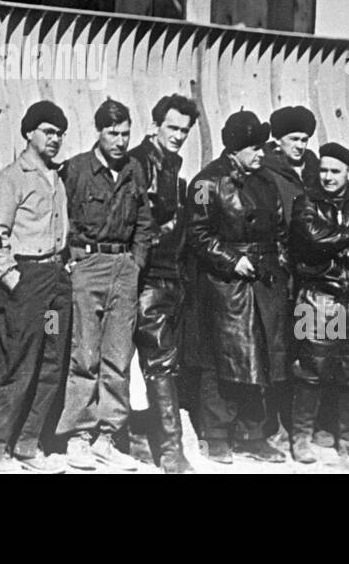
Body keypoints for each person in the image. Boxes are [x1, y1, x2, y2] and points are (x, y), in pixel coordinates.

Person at [185, 110, 290, 465]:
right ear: (235, 149)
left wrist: (280, 265)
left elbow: (279, 229)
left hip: (264, 280)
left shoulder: (265, 181)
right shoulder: (204, 183)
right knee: (223, 359)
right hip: (225, 284)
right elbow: (198, 234)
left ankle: (255, 435)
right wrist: (231, 260)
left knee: (262, 359)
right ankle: (217, 436)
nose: (261, 154)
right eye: (254, 148)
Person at [0, 101, 72, 474]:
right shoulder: (13, 177)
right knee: (16, 362)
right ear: (29, 133)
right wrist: (10, 277)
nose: (55, 139)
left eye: (59, 133)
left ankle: (28, 444)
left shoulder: (56, 177)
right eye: (48, 131)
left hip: (54, 286)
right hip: (25, 283)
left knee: (50, 360)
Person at [57, 98, 154, 471]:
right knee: (85, 355)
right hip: (87, 267)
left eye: (125, 133)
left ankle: (108, 436)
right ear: (99, 132)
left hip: (123, 269)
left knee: (118, 357)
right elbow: (61, 216)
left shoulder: (134, 169)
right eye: (112, 133)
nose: (119, 141)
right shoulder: (78, 169)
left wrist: (135, 263)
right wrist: (72, 261)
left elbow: (144, 223)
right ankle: (78, 437)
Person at [289, 143, 349, 463]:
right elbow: (312, 239)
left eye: (335, 171)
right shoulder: (306, 202)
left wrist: (337, 250)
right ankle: (302, 436)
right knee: (311, 369)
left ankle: (348, 436)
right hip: (317, 296)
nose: (328, 177)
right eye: (324, 171)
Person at [129, 94, 200, 474]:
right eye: (172, 128)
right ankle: (170, 449)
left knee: (154, 361)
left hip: (169, 276)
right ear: (155, 125)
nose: (178, 136)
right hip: (149, 276)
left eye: (184, 131)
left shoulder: (172, 166)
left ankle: (141, 437)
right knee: (159, 360)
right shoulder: (141, 164)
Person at [259, 104, 321, 446]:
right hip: (279, 272)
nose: (300, 145)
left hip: (311, 273)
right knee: (277, 347)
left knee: (308, 346)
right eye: (294, 139)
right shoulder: (267, 171)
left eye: (305, 139)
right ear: (277, 139)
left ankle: (304, 426)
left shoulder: (314, 171)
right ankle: (271, 424)